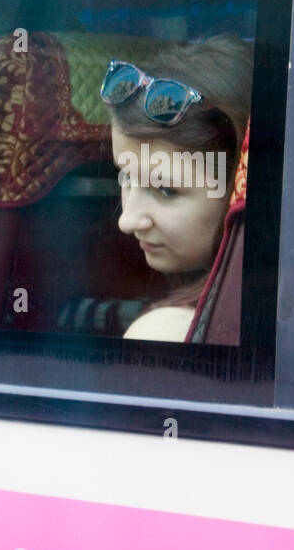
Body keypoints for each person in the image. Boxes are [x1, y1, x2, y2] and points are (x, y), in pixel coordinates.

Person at [101, 35, 252, 342]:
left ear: (240, 189)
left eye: (167, 191)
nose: (127, 221)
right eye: (126, 178)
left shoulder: (163, 333)